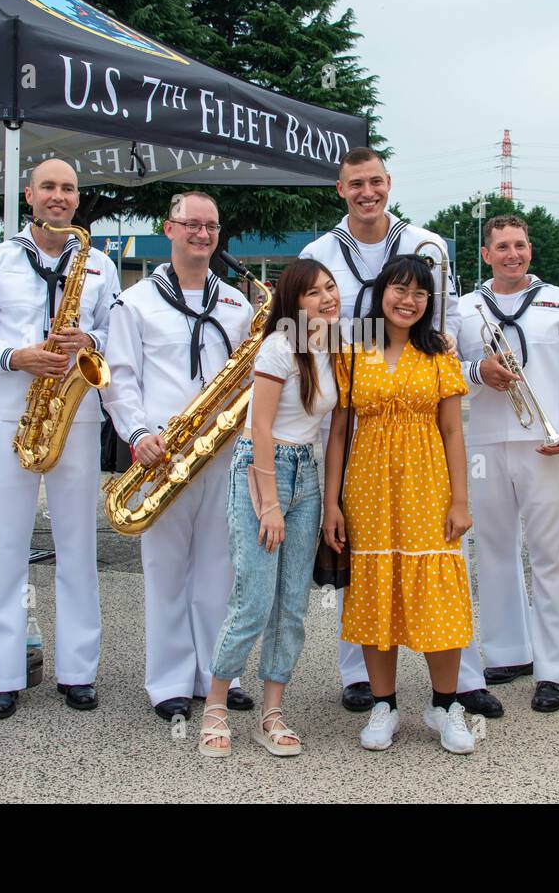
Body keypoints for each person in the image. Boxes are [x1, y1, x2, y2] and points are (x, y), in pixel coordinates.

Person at [299, 146, 498, 719]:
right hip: (350, 386)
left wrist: (455, 370)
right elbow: (310, 321)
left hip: (418, 389)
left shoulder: (427, 243)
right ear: (341, 189)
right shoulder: (318, 252)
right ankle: (360, 678)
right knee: (363, 552)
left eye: (376, 181)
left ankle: (462, 681)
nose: (367, 192)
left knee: (440, 558)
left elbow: (449, 319)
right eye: (356, 183)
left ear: (390, 183)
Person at [0, 159, 117, 720]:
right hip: (10, 411)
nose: (58, 196)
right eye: (48, 187)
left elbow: (115, 335)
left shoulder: (99, 263)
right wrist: (14, 356)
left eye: (68, 188)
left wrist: (89, 338)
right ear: (29, 196)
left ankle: (79, 670)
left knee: (80, 547)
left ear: (78, 200)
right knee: (5, 545)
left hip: (75, 412)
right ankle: (3, 672)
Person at [104, 192, 256, 723]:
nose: (202, 234)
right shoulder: (134, 302)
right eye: (191, 224)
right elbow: (119, 377)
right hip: (162, 454)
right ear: (169, 229)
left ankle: (219, 675)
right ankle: (168, 682)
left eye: (211, 226)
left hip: (223, 452)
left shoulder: (238, 305)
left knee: (220, 569)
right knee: (167, 570)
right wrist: (138, 432)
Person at [322, 254, 478, 754]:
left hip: (427, 489)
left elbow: (453, 430)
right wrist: (332, 503)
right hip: (367, 490)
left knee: (438, 592)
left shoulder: (440, 355)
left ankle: (445, 704)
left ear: (430, 303)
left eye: (420, 293)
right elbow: (339, 432)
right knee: (374, 593)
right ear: (381, 291)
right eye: (400, 289)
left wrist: (461, 499)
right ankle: (383, 705)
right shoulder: (353, 351)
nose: (408, 301)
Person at [198, 259, 341, 757]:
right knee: (253, 601)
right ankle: (215, 706)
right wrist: (269, 504)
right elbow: (259, 429)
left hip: (307, 475)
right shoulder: (281, 346)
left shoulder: (335, 346)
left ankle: (271, 713)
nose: (326, 298)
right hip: (264, 469)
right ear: (292, 303)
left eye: (330, 287)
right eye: (312, 293)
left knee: (293, 608)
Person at [454, 215, 559, 712]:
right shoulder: (464, 308)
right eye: (502, 247)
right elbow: (443, 365)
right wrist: (478, 370)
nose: (512, 254)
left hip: (544, 441)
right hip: (486, 442)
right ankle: (508, 651)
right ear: (487, 253)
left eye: (520, 245)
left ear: (530, 250)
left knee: (551, 555)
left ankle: (553, 669)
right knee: (493, 548)